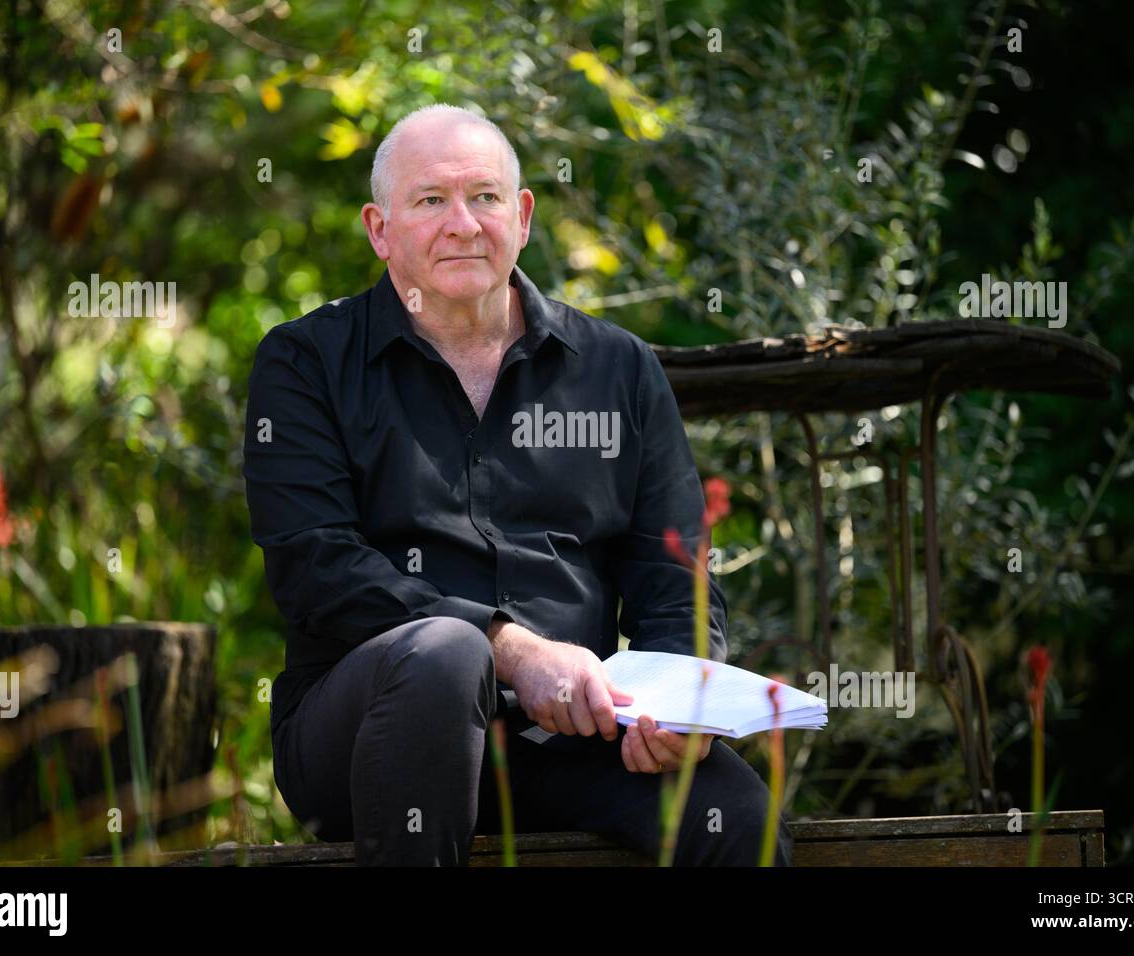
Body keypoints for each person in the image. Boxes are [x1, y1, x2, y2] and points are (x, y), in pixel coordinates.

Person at [242, 103, 794, 866]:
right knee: (444, 655)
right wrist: (514, 649)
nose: (463, 223)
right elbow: (317, 571)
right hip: (370, 730)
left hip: (574, 739)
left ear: (524, 215)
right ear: (379, 229)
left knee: (734, 814)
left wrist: (675, 707)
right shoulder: (305, 365)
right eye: (431, 200)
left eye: (486, 197)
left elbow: (676, 579)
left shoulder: (620, 369)